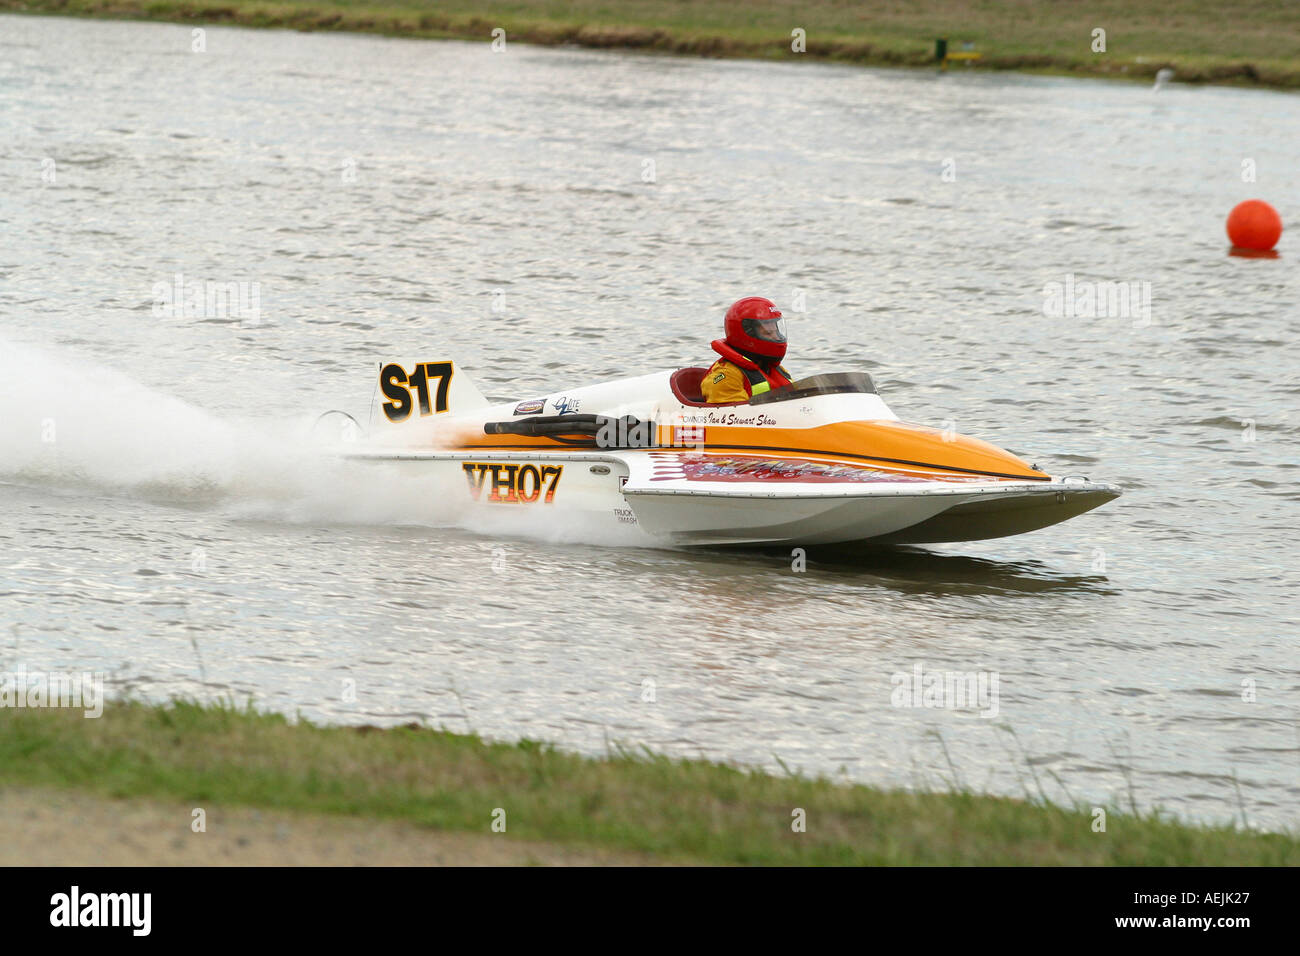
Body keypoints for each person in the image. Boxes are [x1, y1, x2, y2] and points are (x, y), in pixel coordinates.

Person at [699, 296, 792, 404]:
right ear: (747, 334)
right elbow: (734, 412)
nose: (776, 337)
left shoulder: (775, 369)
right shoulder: (727, 375)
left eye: (776, 332)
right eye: (768, 333)